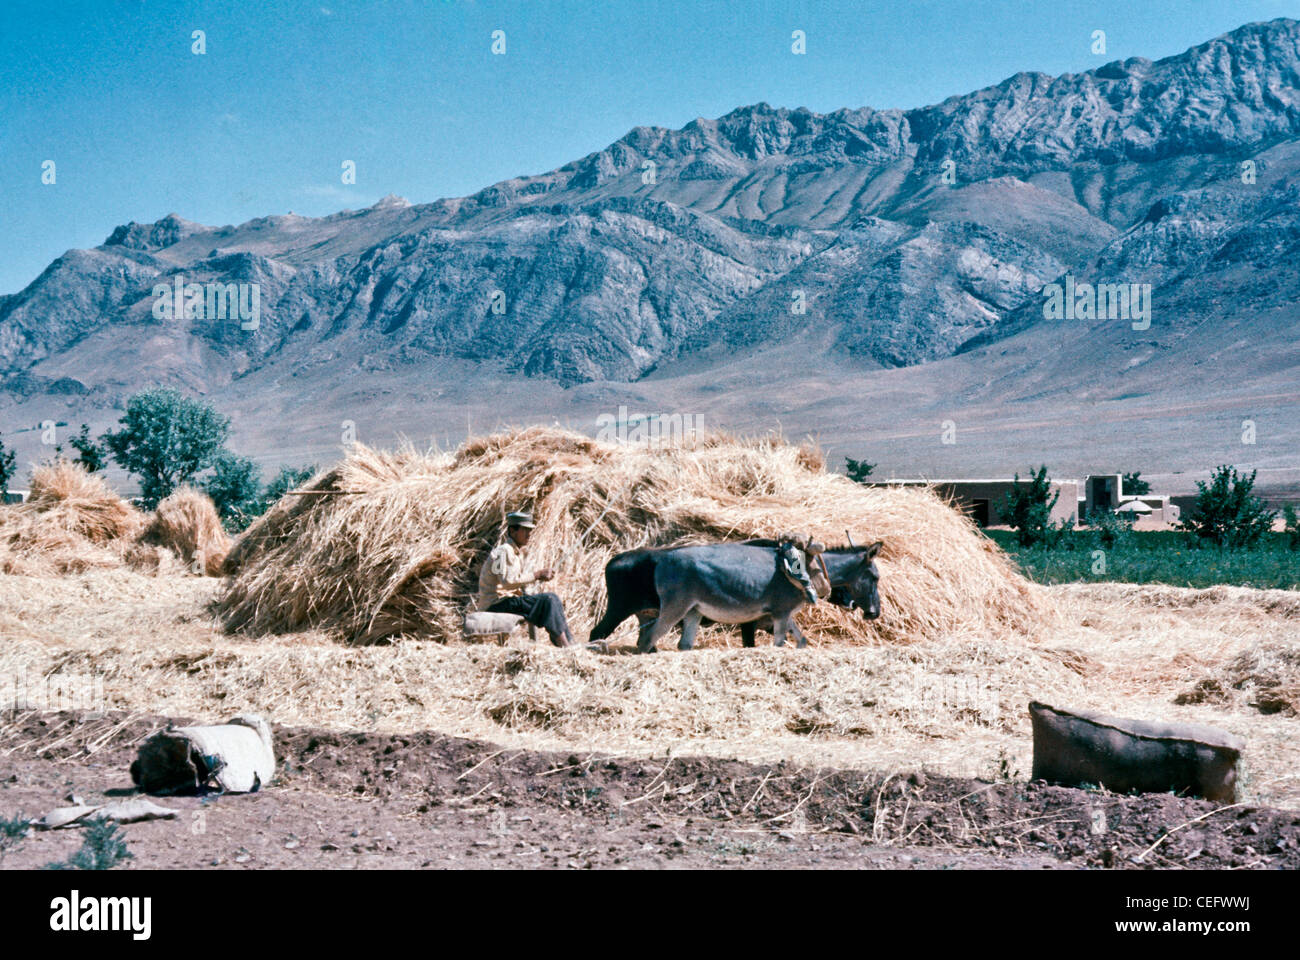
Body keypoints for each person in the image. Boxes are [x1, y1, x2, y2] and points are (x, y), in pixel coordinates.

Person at [476, 511, 579, 647]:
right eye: (525, 530)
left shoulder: (515, 553)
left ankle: (568, 642)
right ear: (513, 531)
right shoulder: (503, 552)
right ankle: (565, 646)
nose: (529, 534)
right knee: (549, 600)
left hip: (505, 602)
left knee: (553, 599)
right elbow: (507, 582)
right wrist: (537, 575)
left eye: (530, 530)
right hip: (495, 605)